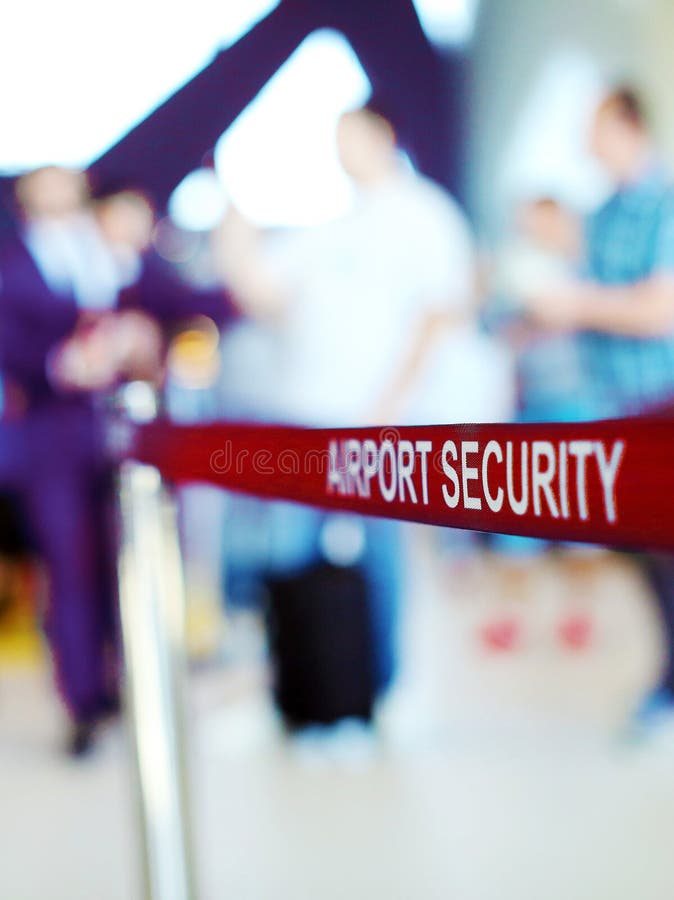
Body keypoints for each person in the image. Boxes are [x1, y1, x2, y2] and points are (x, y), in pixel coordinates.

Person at [217, 102, 507, 707]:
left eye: (348, 135)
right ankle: (304, 687)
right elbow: (265, 293)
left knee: (382, 556)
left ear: (382, 135)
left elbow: (440, 313)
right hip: (304, 416)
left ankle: (385, 683)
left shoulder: (422, 214)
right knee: (290, 551)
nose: (340, 149)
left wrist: (391, 406)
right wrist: (235, 233)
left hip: (376, 419)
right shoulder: (333, 225)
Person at [0, 169, 235, 754]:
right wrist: (60, 362)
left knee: (128, 562)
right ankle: (83, 700)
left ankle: (131, 684)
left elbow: (180, 304)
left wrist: (141, 334)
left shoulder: (112, 248)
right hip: (52, 437)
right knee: (70, 568)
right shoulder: (12, 263)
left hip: (125, 432)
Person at [523, 87, 674, 725]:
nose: (586, 141)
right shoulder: (604, 214)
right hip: (619, 403)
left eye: (594, 126)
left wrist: (577, 304)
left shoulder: (664, 203)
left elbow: (657, 310)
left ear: (625, 124)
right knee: (649, 556)